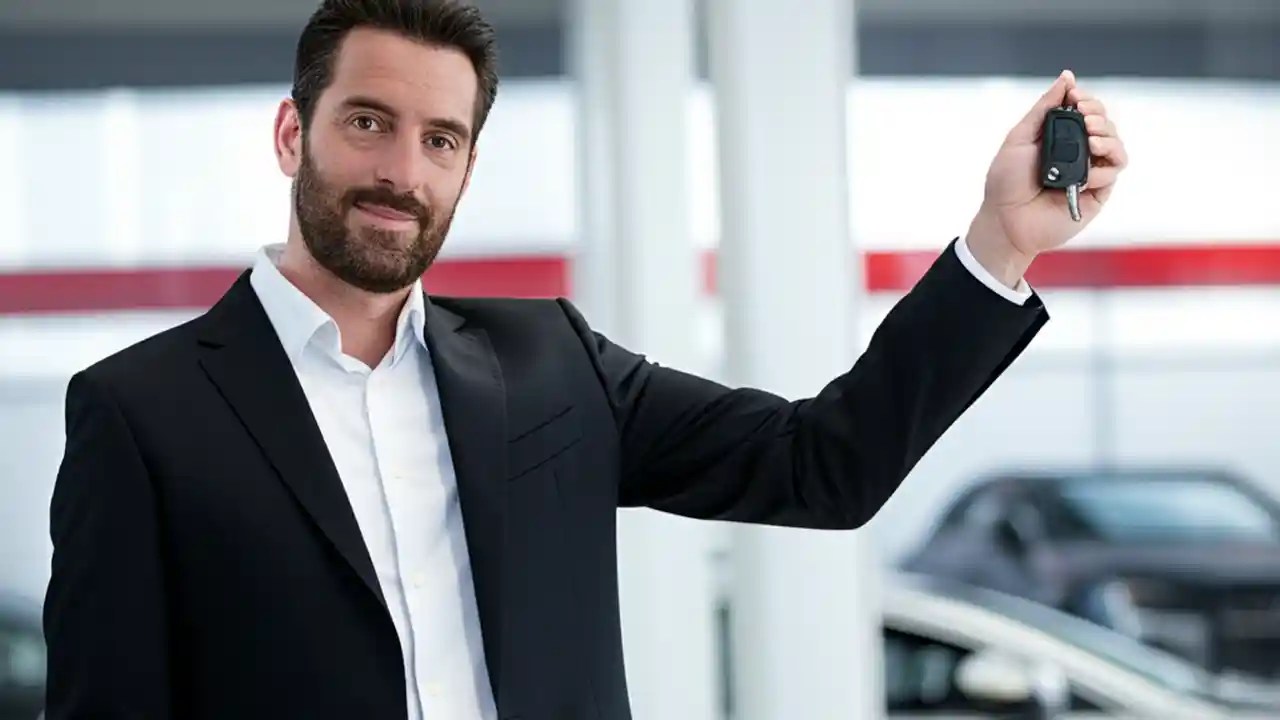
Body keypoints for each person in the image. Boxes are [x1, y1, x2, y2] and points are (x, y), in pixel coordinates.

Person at [41, 0, 1128, 718]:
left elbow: (821, 464)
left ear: (466, 164)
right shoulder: (142, 412)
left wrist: (1000, 246)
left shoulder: (548, 367)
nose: (400, 170)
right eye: (366, 122)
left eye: (439, 139)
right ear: (293, 135)